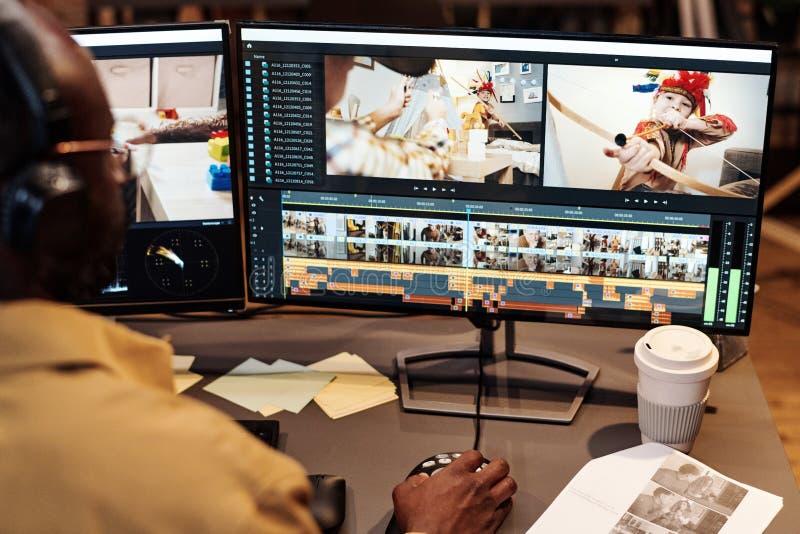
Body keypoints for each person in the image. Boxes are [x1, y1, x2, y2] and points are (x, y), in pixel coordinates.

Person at [0, 2, 516, 532]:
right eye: (107, 147)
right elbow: (430, 162)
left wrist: (384, 116)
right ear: (50, 207)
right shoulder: (213, 481)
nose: (121, 166)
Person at [604, 70, 737, 193]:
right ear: (656, 100)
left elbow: (727, 129)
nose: (675, 106)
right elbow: (654, 143)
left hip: (663, 196)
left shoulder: (687, 136)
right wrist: (648, 154)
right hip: (638, 193)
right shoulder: (648, 125)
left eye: (685, 104)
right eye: (669, 98)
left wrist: (686, 123)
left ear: (689, 113)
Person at [325, 55, 453, 180]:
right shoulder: (347, 147)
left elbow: (345, 135)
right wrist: (437, 120)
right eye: (345, 57)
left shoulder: (322, 136)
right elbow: (425, 168)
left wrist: (390, 109)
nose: (350, 65)